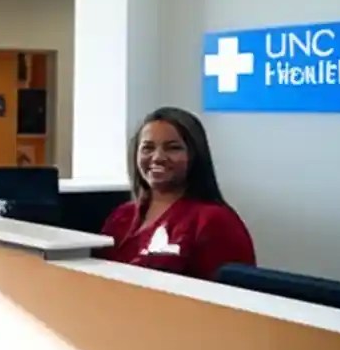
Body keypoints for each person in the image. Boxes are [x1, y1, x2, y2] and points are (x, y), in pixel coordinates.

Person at [98, 106, 255, 280]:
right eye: (147, 148)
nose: (157, 157)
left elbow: (233, 296)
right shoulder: (121, 216)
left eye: (173, 148)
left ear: (195, 154)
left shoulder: (214, 220)